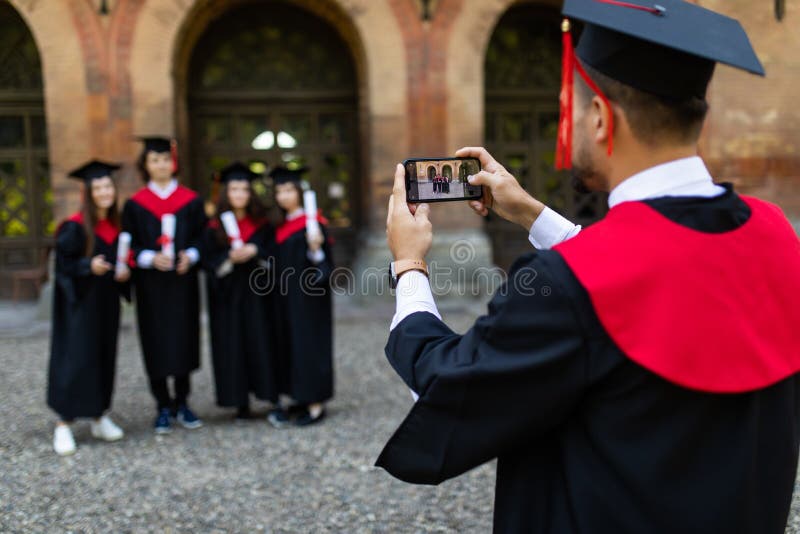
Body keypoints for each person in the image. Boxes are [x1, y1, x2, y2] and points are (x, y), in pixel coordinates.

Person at [377, 1, 800, 532]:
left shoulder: (561, 287)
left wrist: (409, 265)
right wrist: (532, 213)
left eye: (568, 106)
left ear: (599, 118)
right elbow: (650, 264)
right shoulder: (773, 234)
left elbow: (448, 389)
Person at [122, 137, 206, 434]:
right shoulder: (135, 206)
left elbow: (203, 239)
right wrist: (147, 258)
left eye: (165, 159)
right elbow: (126, 244)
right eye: (154, 160)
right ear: (146, 165)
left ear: (174, 163)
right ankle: (161, 405)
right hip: (151, 286)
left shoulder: (191, 201)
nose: (161, 165)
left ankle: (182, 402)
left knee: (184, 340)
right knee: (155, 342)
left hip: (182, 285)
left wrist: (191, 255)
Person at [48, 160, 130, 455]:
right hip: (79, 307)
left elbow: (121, 264)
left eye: (108, 186)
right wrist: (87, 265)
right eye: (98, 188)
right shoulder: (74, 227)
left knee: (103, 357)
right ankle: (64, 424)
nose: (104, 192)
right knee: (76, 360)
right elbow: (63, 267)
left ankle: (98, 416)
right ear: (89, 193)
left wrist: (124, 274)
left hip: (106, 306)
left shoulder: (116, 227)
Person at [202, 162, 277, 419]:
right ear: (226, 193)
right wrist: (228, 259)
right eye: (234, 189)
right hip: (228, 297)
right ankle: (239, 400)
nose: (240, 194)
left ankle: (269, 395)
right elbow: (207, 261)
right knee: (232, 345)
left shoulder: (262, 224)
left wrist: (256, 252)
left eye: (244, 189)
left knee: (262, 341)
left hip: (259, 297)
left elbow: (275, 256)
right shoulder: (214, 228)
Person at [268, 166, 334, 427]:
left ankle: (316, 403)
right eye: (279, 191)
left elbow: (324, 265)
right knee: (290, 344)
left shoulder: (314, 224)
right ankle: (299, 396)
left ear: (299, 192)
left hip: (309, 299)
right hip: (285, 297)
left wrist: (315, 248)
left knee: (309, 345)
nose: (283, 196)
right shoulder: (281, 226)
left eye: (288, 190)